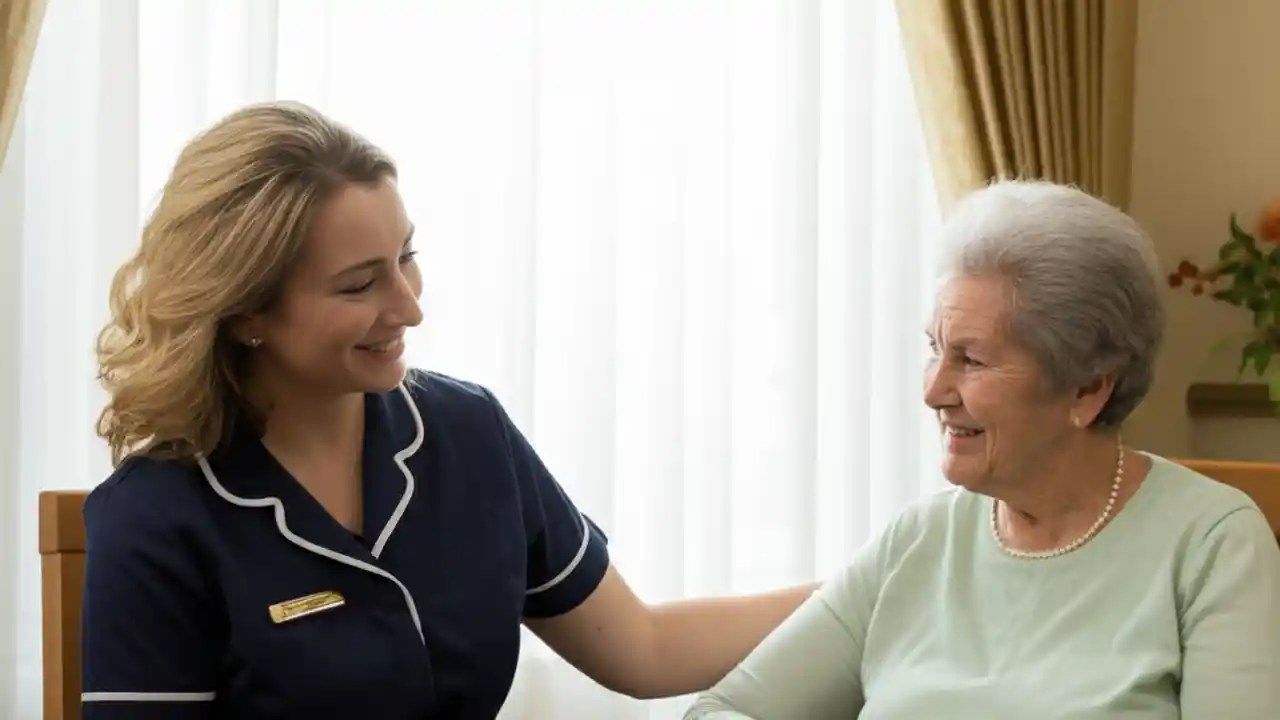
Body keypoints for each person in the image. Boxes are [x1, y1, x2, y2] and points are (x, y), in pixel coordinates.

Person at [82, 101, 815, 719]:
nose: (409, 307)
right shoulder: (156, 518)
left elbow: (644, 649)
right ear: (246, 311)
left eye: (406, 257)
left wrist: (870, 589)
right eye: (359, 284)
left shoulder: (467, 434)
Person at [685, 180, 1280, 719]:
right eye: (935, 349)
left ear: (1088, 387)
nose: (933, 391)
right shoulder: (918, 541)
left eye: (970, 359)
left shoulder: (1214, 543)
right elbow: (723, 710)